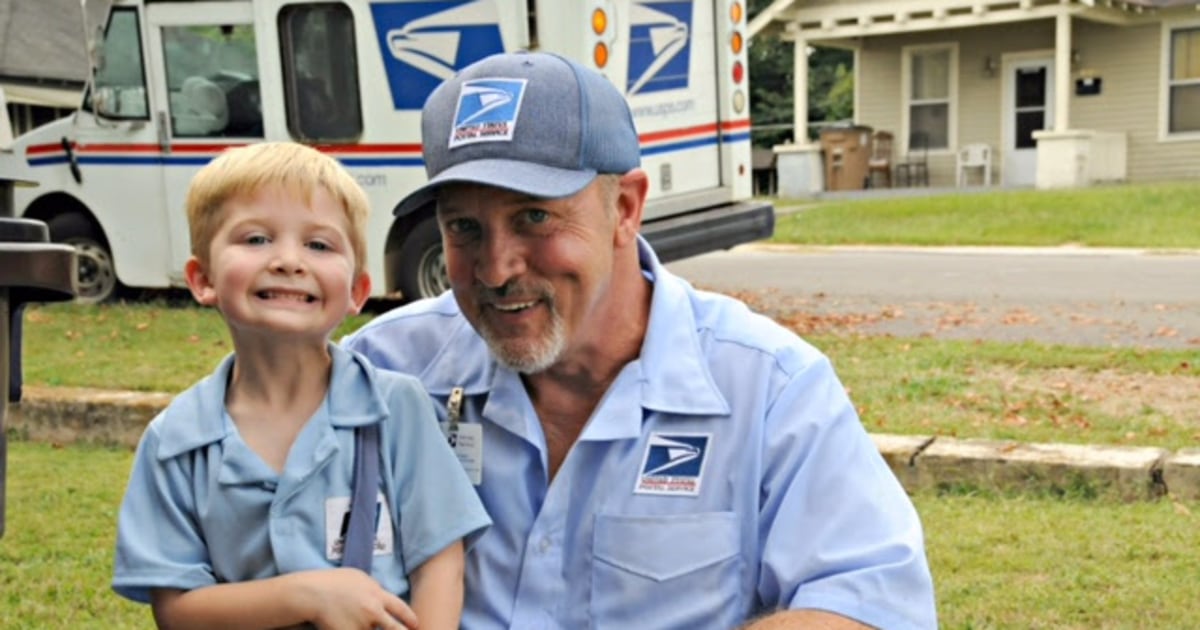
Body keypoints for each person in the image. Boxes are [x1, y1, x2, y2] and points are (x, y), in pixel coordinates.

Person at [343, 51, 937, 629]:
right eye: (463, 228)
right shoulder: (384, 369)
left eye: (534, 218)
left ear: (625, 208)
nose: (495, 269)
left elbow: (870, 604)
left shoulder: (768, 388)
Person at [112, 142, 490, 629]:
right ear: (202, 278)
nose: (289, 261)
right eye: (255, 240)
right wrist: (308, 594)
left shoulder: (396, 407)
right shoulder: (176, 441)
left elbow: (440, 558)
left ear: (357, 290)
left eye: (319, 245)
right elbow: (177, 609)